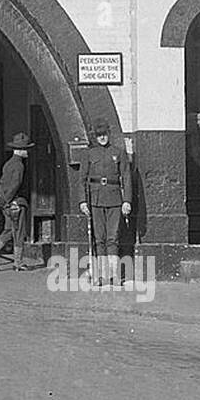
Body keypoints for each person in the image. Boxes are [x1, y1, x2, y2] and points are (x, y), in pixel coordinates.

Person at [78, 119, 132, 287]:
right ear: (95, 137)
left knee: (113, 238)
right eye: (99, 135)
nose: (102, 138)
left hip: (115, 199)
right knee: (99, 238)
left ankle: (114, 275)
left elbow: (126, 177)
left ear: (109, 134)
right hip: (95, 200)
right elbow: (82, 179)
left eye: (104, 135)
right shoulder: (89, 154)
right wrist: (82, 201)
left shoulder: (119, 152)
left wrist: (127, 201)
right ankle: (100, 275)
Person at [0, 132, 36, 272]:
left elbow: (3, 183)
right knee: (19, 232)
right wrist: (10, 201)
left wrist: (2, 201)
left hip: (5, 202)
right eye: (26, 149)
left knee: (8, 230)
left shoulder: (8, 164)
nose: (27, 152)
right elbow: (16, 184)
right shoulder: (19, 165)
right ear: (21, 150)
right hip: (16, 202)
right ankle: (18, 262)